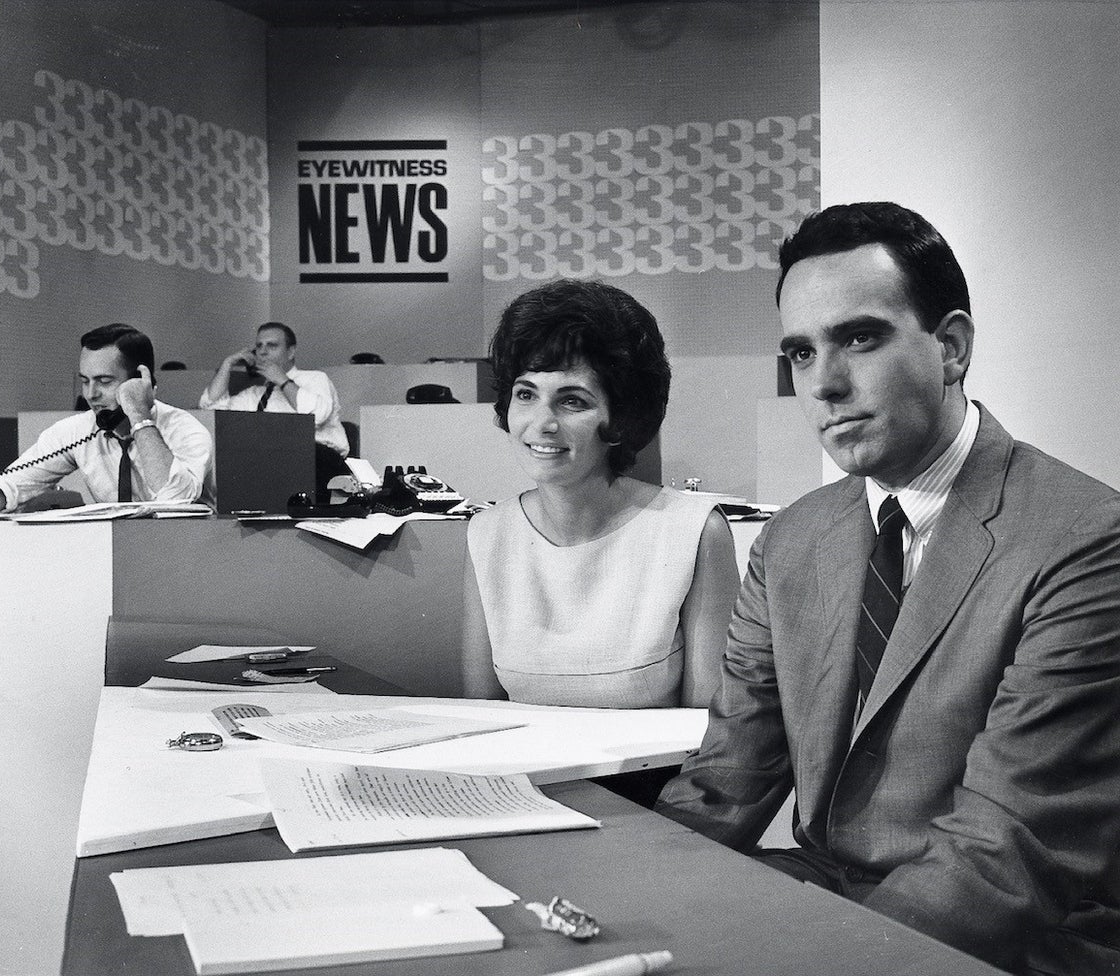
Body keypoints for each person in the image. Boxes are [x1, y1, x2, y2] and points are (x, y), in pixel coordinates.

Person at [655, 202, 1120, 975]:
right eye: (800, 354)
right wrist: (633, 910)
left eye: (859, 338)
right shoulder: (792, 538)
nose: (826, 385)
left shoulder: (1086, 537)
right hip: (828, 896)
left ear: (952, 347)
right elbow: (723, 782)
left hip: (1021, 943)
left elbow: (1008, 853)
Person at [462, 279, 739, 713]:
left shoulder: (694, 532)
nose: (542, 423)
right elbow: (480, 717)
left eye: (572, 401)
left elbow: (709, 733)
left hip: (658, 781)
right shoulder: (488, 533)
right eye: (525, 394)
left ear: (622, 416)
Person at [0, 324, 212, 512]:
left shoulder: (186, 430)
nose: (91, 394)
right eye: (85, 380)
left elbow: (176, 503)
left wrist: (139, 416)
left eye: (105, 381)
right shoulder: (77, 430)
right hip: (114, 560)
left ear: (140, 379)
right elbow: (12, 486)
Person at [199, 322, 349, 459]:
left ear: (290, 352)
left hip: (318, 458)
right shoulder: (255, 393)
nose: (263, 352)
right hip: (270, 460)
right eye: (259, 346)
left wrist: (282, 380)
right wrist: (227, 364)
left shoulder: (314, 378)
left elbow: (316, 417)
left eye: (271, 346)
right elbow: (213, 413)